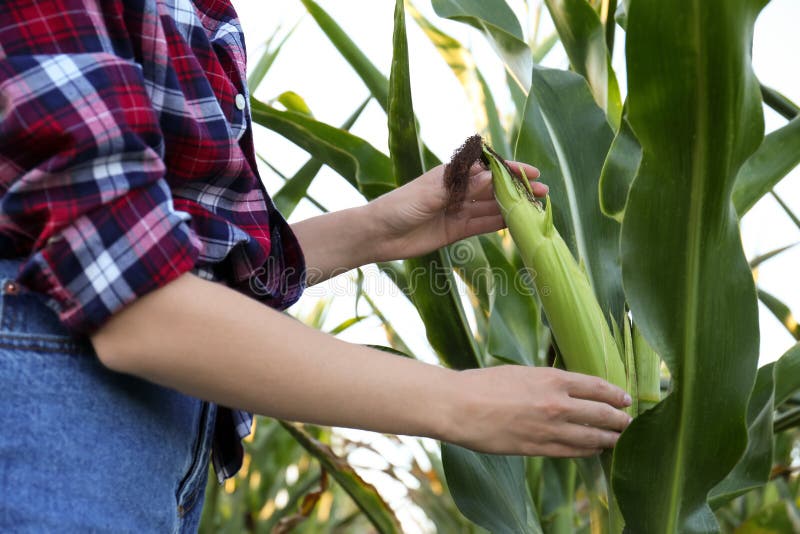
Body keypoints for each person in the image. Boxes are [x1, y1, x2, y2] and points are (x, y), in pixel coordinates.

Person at [0, 0, 632, 531]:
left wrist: (376, 228)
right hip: (57, 409)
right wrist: (461, 402)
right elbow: (135, 300)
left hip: (144, 429)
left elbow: (186, 260)